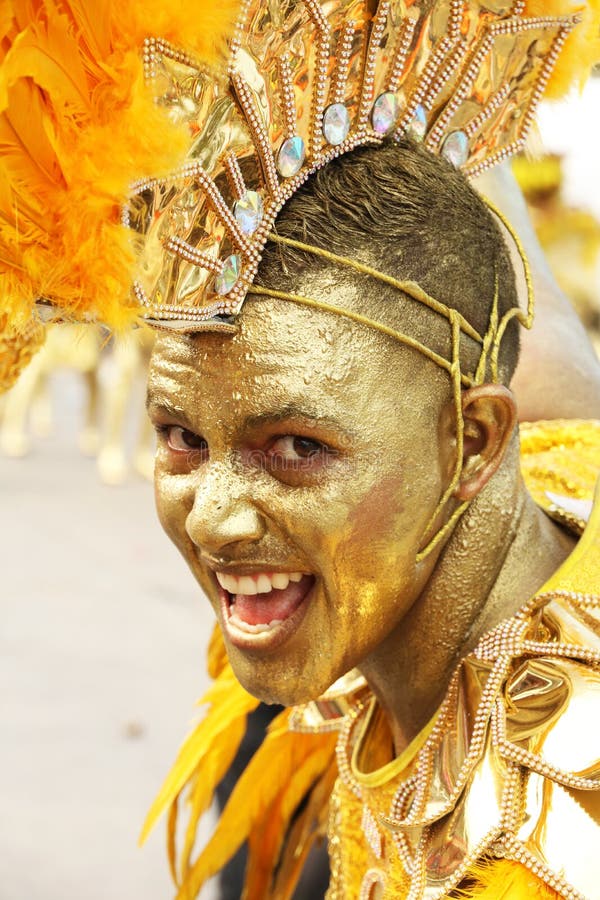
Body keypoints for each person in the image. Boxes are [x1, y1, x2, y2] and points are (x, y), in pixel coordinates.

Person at [2, 2, 600, 899]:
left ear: (475, 441)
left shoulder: (552, 847)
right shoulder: (552, 473)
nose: (211, 518)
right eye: (180, 437)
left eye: (294, 445)